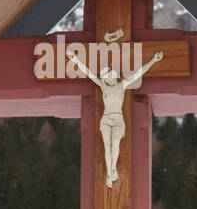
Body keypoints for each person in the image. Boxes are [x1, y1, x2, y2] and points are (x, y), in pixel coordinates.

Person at [67, 46, 164, 187]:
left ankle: (113, 168)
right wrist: (75, 60)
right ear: (107, 77)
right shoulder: (103, 86)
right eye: (111, 73)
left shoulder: (122, 85)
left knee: (115, 143)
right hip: (106, 118)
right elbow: (88, 72)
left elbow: (138, 73)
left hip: (118, 118)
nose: (113, 75)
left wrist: (153, 60)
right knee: (107, 145)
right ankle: (109, 173)